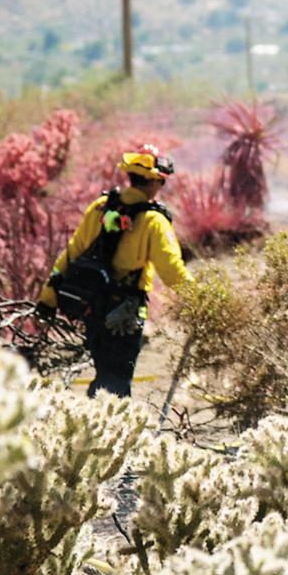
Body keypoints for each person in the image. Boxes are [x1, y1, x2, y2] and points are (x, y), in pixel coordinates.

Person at [36, 145, 193, 397]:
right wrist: (199, 300)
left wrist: (48, 298)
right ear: (154, 182)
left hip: (92, 308)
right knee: (117, 382)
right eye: (161, 182)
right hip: (125, 315)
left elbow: (72, 252)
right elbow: (172, 272)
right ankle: (103, 429)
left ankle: (90, 426)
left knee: (105, 373)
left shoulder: (101, 207)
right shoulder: (154, 221)